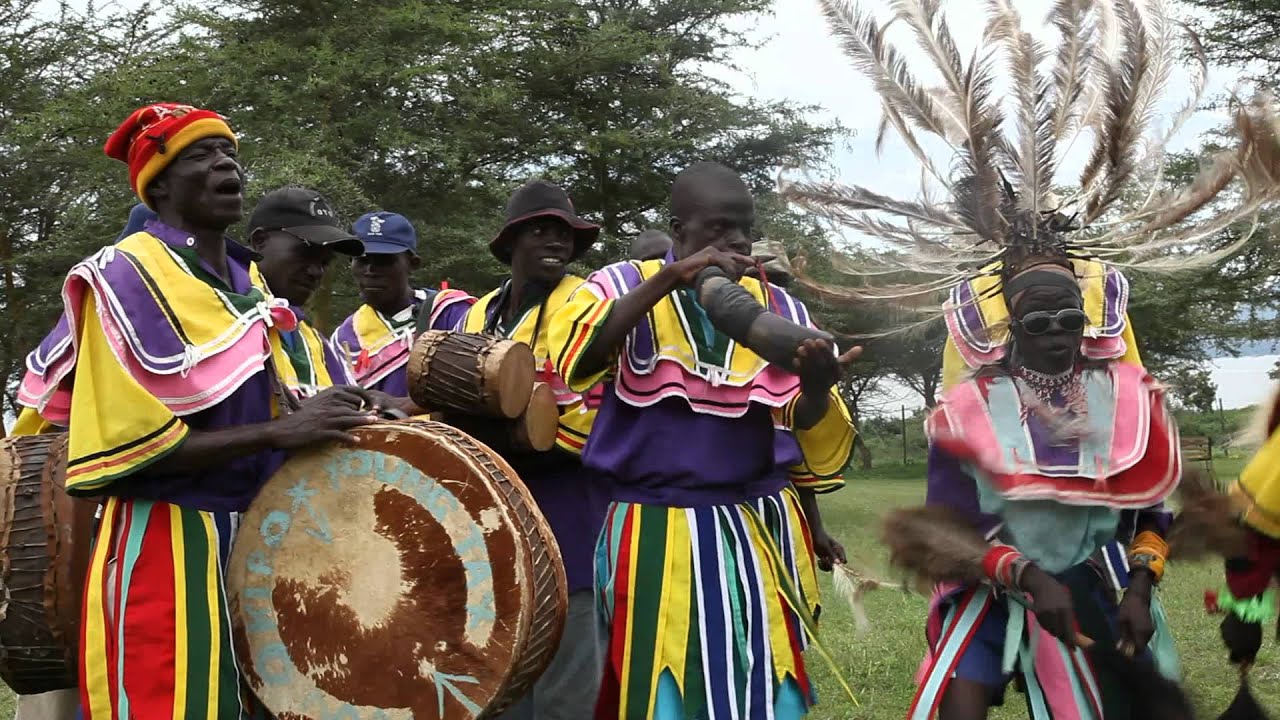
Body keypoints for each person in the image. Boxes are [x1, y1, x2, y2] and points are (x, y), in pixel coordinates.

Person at [14, 103, 384, 720]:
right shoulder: (121, 280)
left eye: (229, 153)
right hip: (168, 548)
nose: (224, 164)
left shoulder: (253, 286)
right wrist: (280, 430)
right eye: (199, 155)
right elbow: (118, 458)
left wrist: (336, 411)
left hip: (265, 547)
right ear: (157, 182)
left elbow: (278, 402)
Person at [548, 161, 857, 719]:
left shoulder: (781, 308)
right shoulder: (619, 286)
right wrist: (671, 278)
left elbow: (799, 422)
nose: (736, 241)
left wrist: (814, 387)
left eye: (744, 227)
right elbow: (581, 360)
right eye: (718, 228)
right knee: (661, 683)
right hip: (652, 528)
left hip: (759, 525)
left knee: (764, 677)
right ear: (679, 228)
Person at [459, 179, 609, 719]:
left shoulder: (584, 304)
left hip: (566, 509)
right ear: (510, 244)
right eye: (540, 230)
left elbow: (595, 413)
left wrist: (513, 432)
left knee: (566, 685)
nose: (556, 242)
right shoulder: (477, 315)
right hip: (491, 515)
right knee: (496, 677)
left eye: (565, 234)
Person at [331, 211, 474, 401]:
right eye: (362, 260)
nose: (371, 270)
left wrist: (403, 405)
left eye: (384, 261)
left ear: (412, 264)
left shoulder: (450, 313)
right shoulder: (345, 338)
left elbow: (476, 388)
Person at [245, 186, 368, 397]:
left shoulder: (314, 342)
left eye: (324, 262)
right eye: (304, 253)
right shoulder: (223, 319)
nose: (315, 271)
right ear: (260, 241)